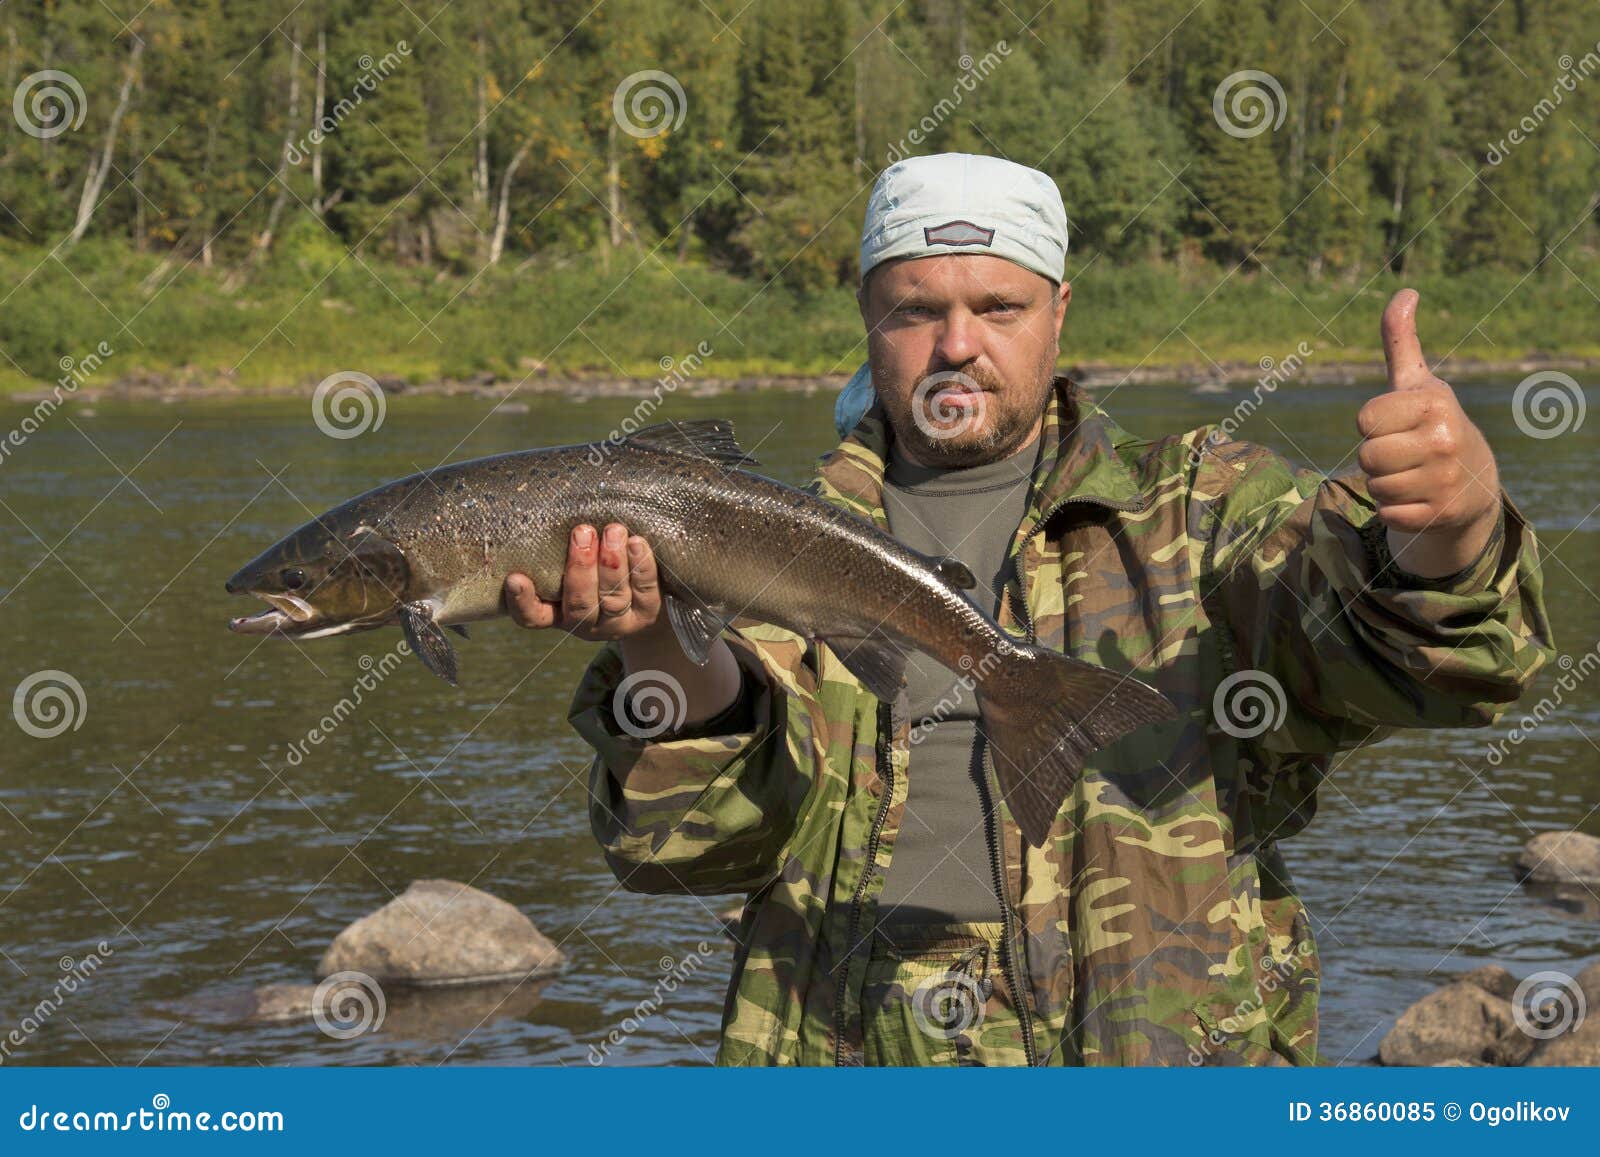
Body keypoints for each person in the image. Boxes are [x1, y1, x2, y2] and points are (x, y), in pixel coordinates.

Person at [502, 153, 1554, 1066]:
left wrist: (1445, 535)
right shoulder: (756, 537)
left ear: (1059, 310)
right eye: (915, 308)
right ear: (867, 313)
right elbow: (684, 849)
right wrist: (650, 635)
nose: (956, 343)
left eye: (997, 308)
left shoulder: (1199, 510)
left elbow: (1426, 663)